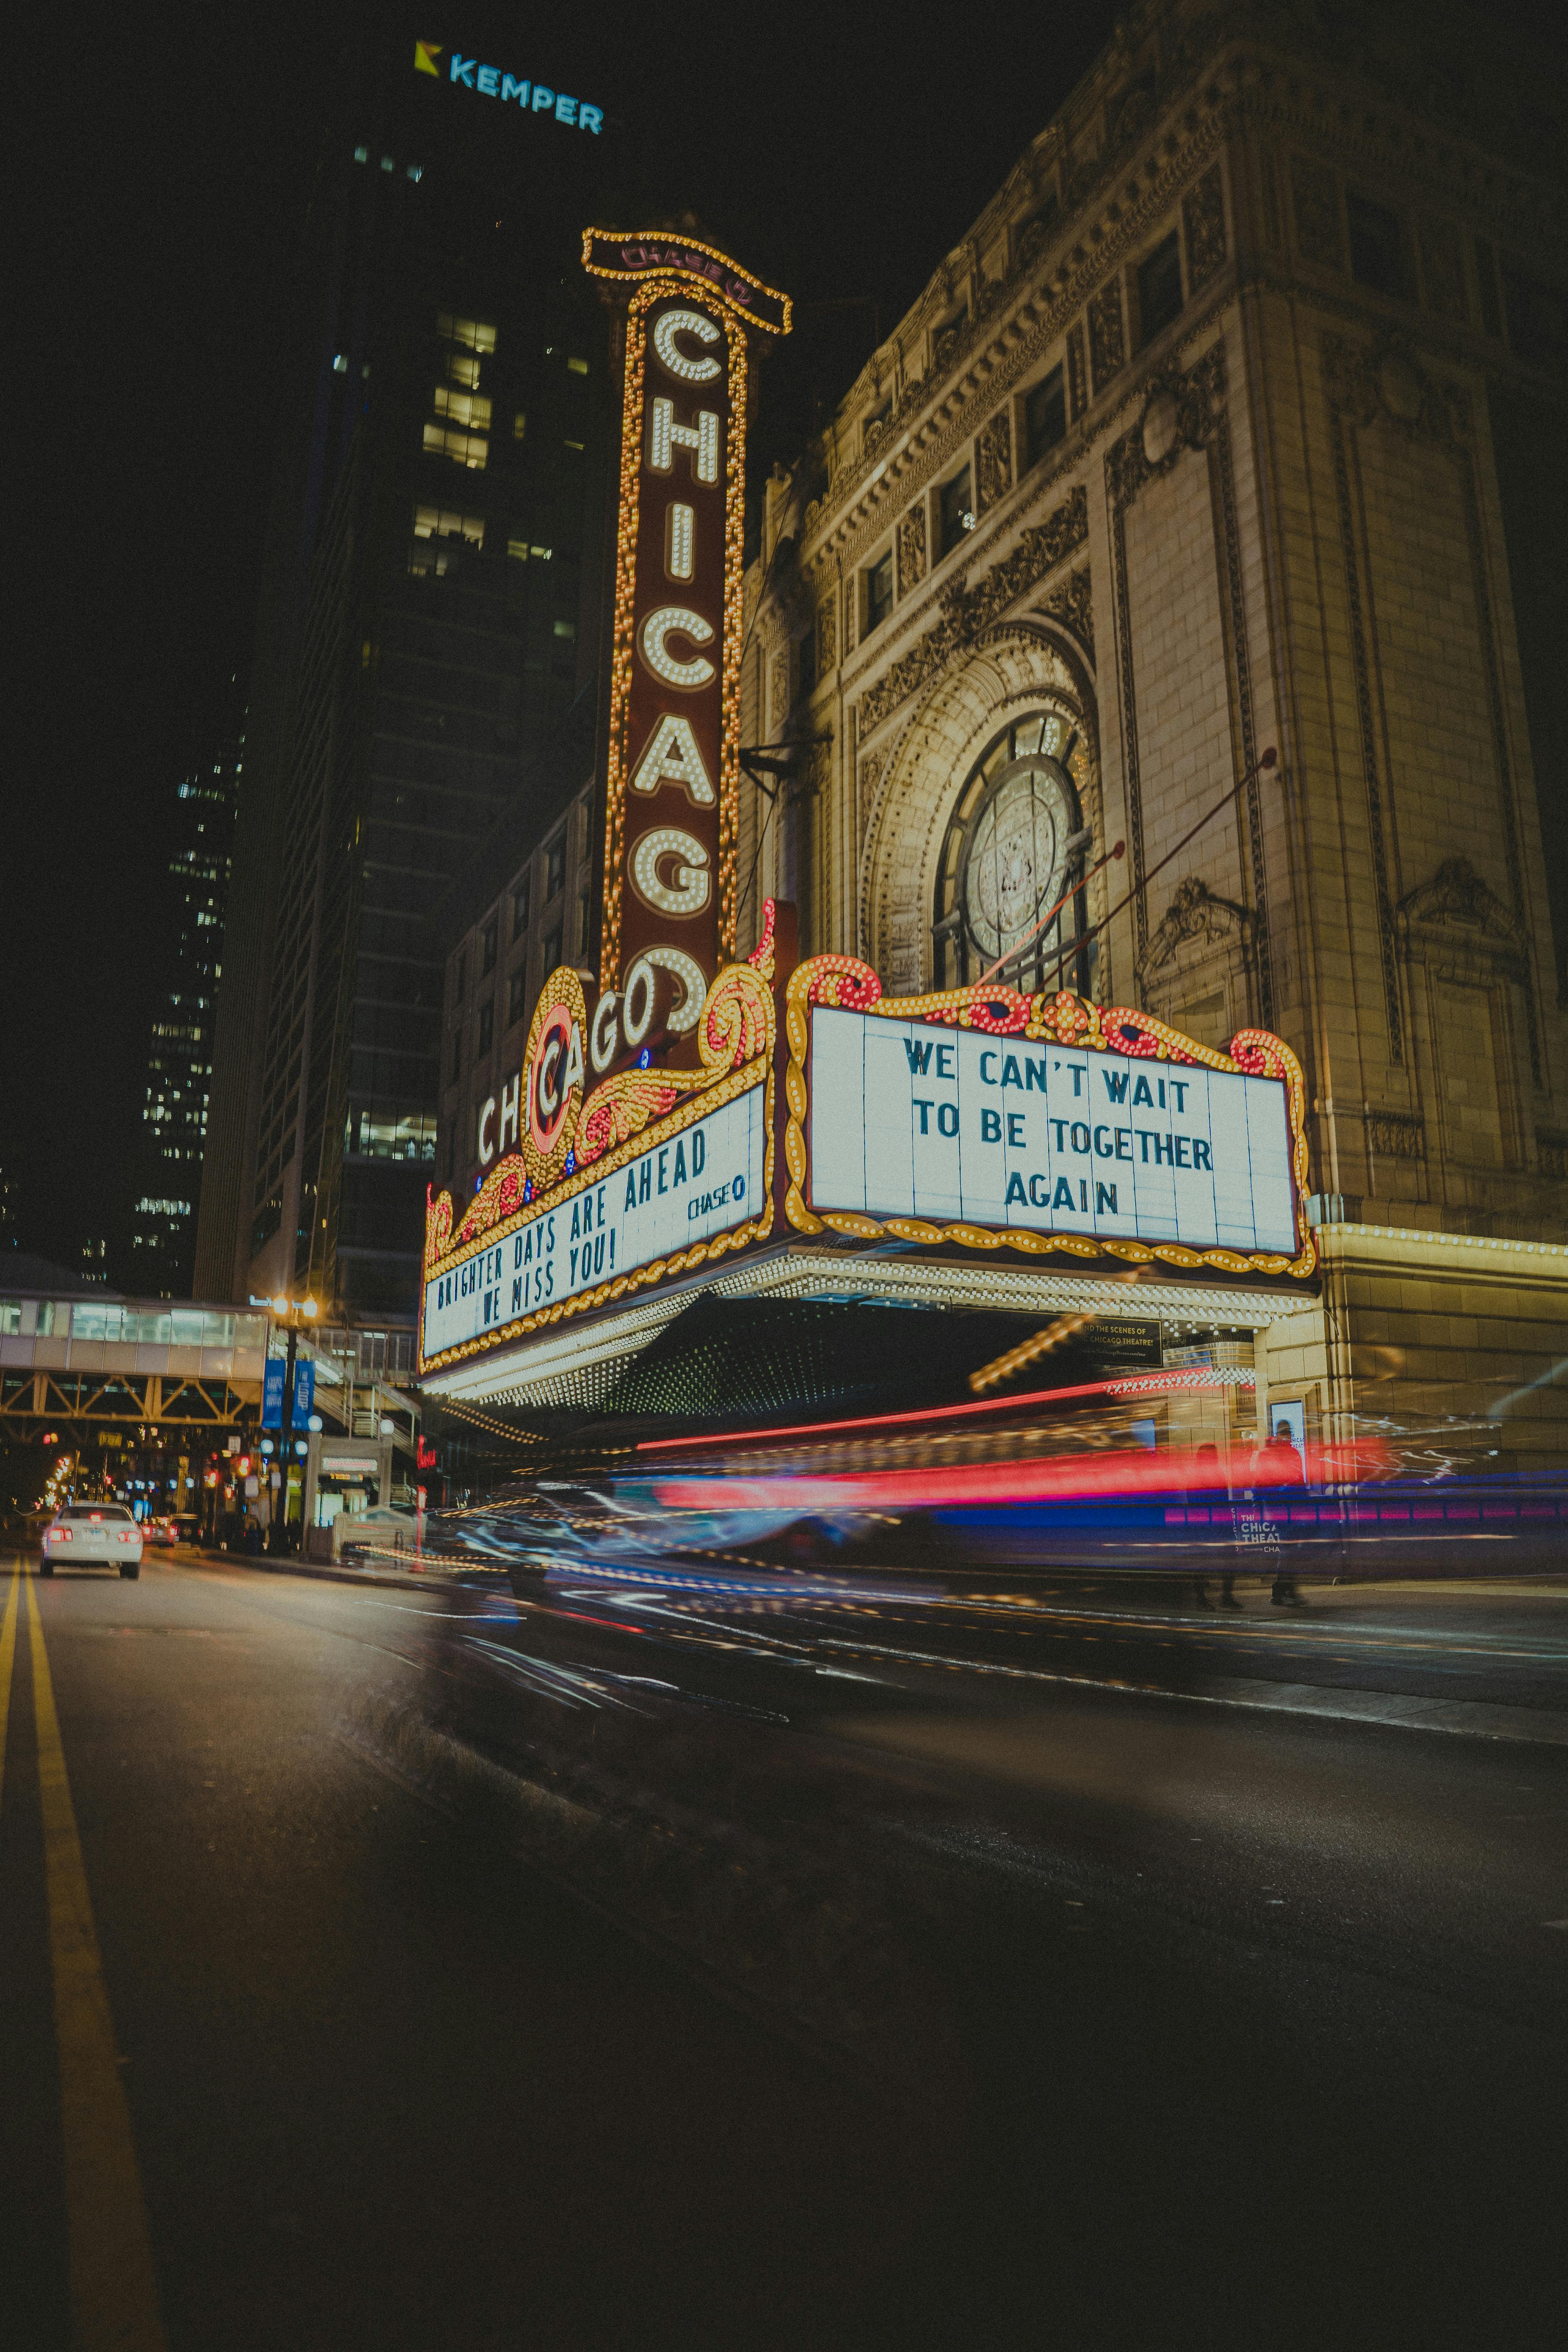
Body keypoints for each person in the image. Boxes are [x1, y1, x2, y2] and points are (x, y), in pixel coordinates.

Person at [1187, 1441, 1240, 1608]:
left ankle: (1211, 1598)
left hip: (1212, 1525)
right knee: (1213, 1561)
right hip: (1208, 1525)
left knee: (1207, 1562)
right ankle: (1214, 1598)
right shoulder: (1206, 1475)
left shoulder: (1210, 1473)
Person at [1261, 1420, 1306, 1604]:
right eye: (1285, 1432)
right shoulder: (1276, 1454)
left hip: (1286, 1508)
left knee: (1291, 1549)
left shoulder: (1284, 1453)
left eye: (1289, 1432)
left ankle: (1284, 1590)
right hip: (1282, 1509)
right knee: (1290, 1549)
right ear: (1278, 1434)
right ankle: (1284, 1590)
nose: (1288, 1436)